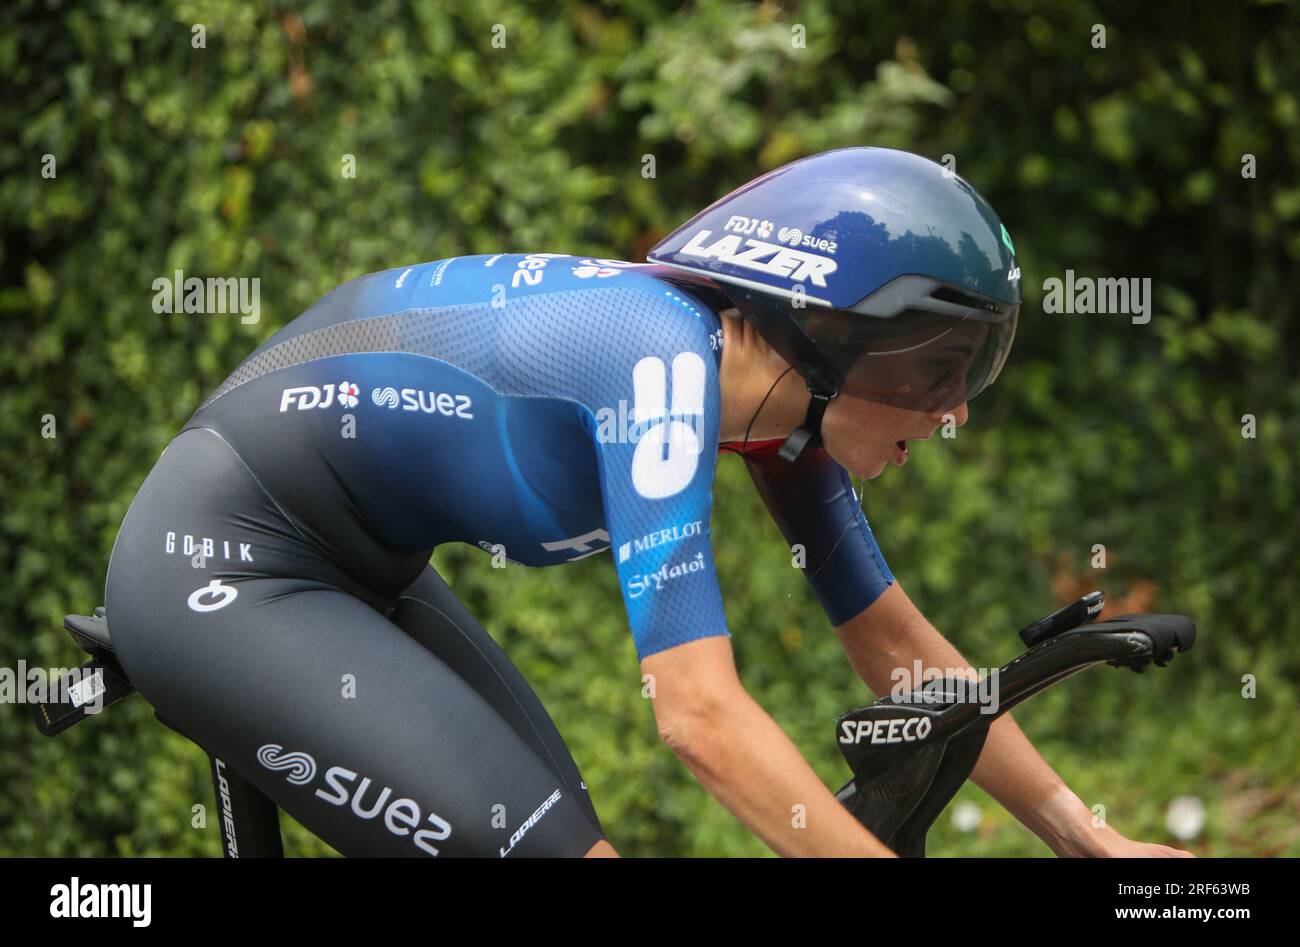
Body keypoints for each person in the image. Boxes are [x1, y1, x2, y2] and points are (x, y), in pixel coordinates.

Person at [103, 147, 1188, 857]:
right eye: (935, 373)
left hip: (354, 574)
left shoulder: (774, 412)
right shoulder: (658, 355)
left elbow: (897, 648)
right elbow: (699, 717)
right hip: (221, 571)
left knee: (561, 832)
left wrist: (1089, 841)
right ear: (835, 334)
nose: (948, 413)